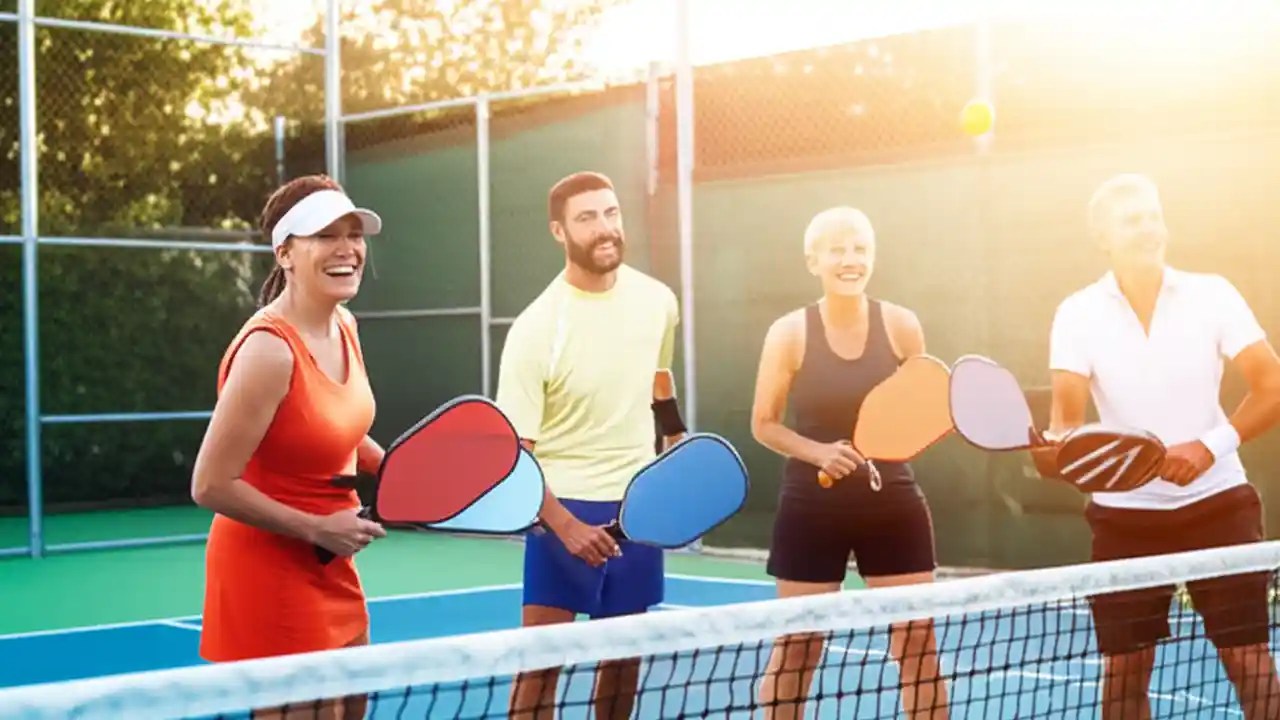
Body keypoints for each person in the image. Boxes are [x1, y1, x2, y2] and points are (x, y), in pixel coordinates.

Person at [1033, 173, 1280, 720]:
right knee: (1123, 675)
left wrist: (1210, 447)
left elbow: (1274, 387)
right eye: (1131, 220)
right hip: (1125, 522)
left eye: (1153, 216)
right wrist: (1058, 454)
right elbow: (1066, 427)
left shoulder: (1213, 293)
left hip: (1219, 505)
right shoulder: (1077, 312)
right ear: (1103, 236)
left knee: (1250, 664)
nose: (1148, 229)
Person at [191, 174, 389, 720]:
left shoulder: (344, 324)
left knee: (352, 706)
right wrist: (317, 528)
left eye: (353, 233)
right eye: (325, 235)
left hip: (331, 560)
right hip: (268, 569)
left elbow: (326, 424)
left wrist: (390, 464)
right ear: (285, 253)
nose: (347, 248)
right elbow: (209, 483)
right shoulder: (267, 352)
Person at [494, 170, 684, 720]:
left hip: (637, 509)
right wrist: (565, 525)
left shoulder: (657, 301)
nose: (604, 229)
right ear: (559, 231)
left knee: (623, 664)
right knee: (540, 670)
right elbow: (516, 455)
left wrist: (676, 446)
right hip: (564, 509)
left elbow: (659, 376)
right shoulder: (536, 329)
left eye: (611, 213)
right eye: (586, 218)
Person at [750, 207, 949, 720]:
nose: (850, 259)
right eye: (837, 249)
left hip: (893, 503)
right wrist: (819, 452)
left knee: (917, 645)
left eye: (860, 248)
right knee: (799, 647)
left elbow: (917, 410)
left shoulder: (902, 326)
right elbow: (764, 423)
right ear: (812, 261)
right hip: (810, 507)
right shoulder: (789, 333)